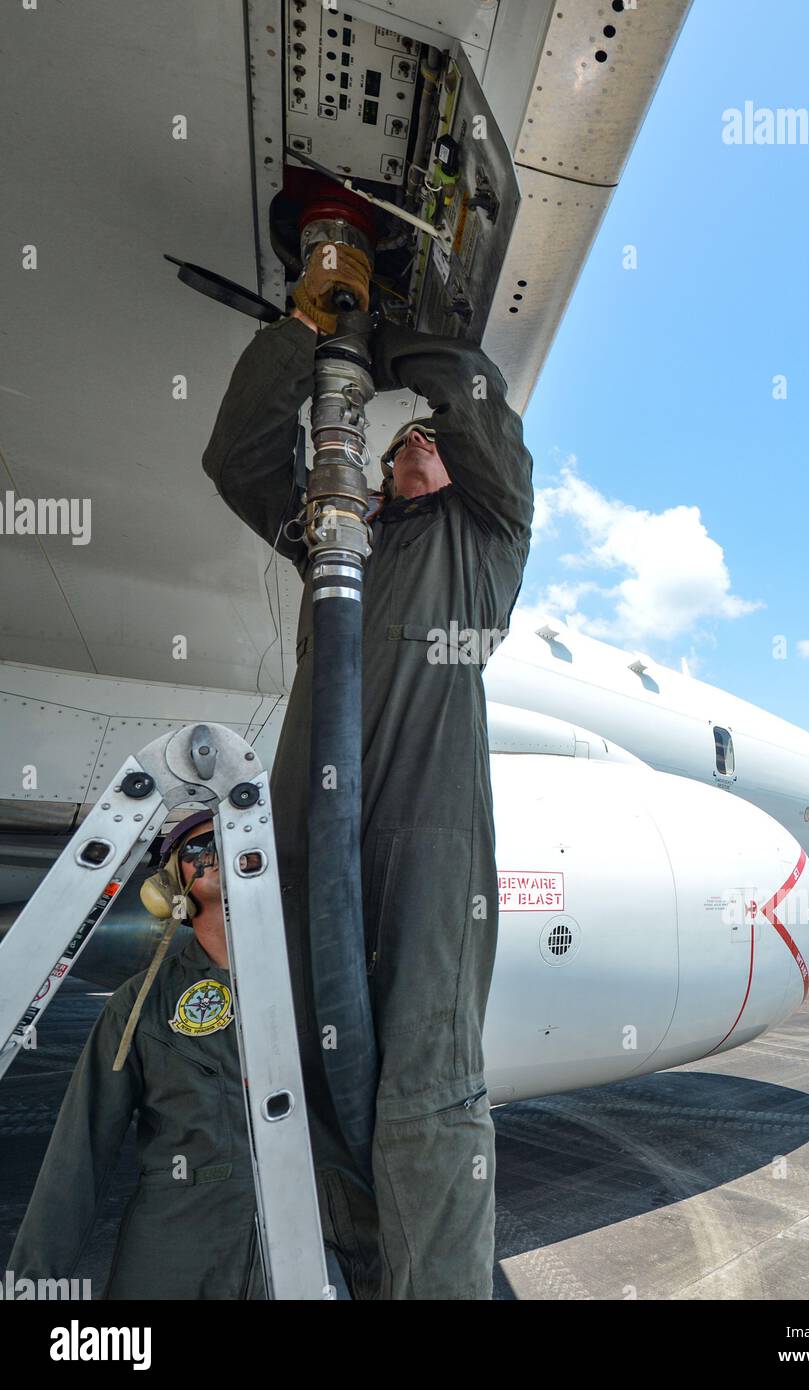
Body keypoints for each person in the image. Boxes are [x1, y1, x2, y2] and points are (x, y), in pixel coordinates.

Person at [202, 243, 534, 1300]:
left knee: (426, 1095)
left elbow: (484, 415)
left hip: (428, 839)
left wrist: (386, 328)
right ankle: (347, 1272)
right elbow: (240, 459)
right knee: (311, 1067)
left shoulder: (484, 542)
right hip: (312, 824)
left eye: (429, 444)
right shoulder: (336, 546)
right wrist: (303, 332)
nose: (410, 451)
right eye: (400, 443)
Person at [8, 813, 267, 1299]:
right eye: (201, 846)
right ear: (172, 885)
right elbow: (80, 1149)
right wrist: (32, 1286)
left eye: (236, 836)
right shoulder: (140, 1003)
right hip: (177, 1250)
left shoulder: (326, 989)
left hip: (308, 1243)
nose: (219, 851)